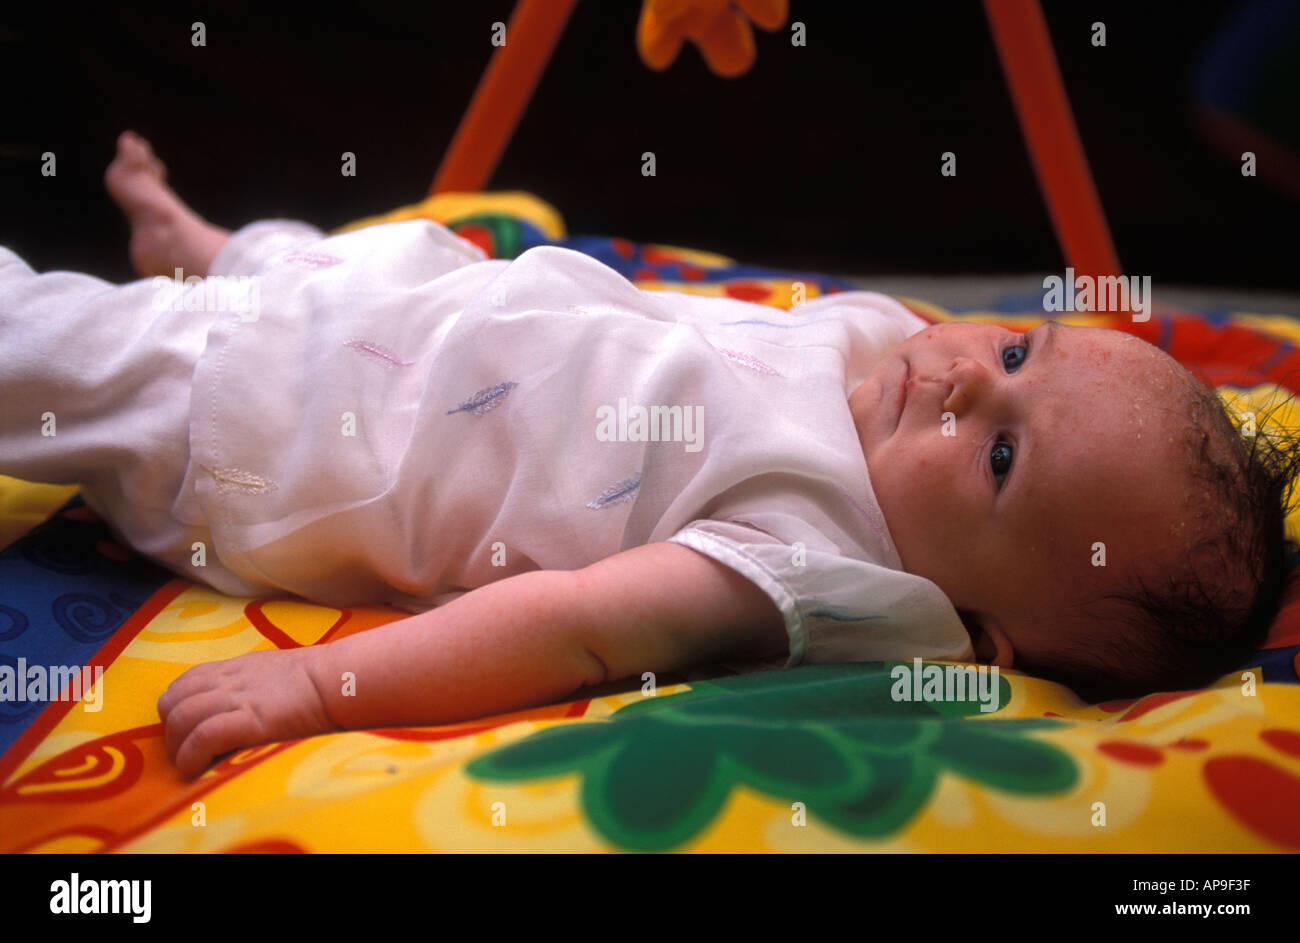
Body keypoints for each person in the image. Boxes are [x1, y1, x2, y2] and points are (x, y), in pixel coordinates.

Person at [2, 133, 1294, 780]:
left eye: (1000, 460)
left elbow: (567, 626)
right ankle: (210, 243)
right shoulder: (905, 363)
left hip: (276, 429)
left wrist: (318, 693)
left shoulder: (810, 553)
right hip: (423, 303)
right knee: (322, 255)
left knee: (50, 350)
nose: (961, 376)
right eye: (1019, 352)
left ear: (976, 636)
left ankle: (173, 285)